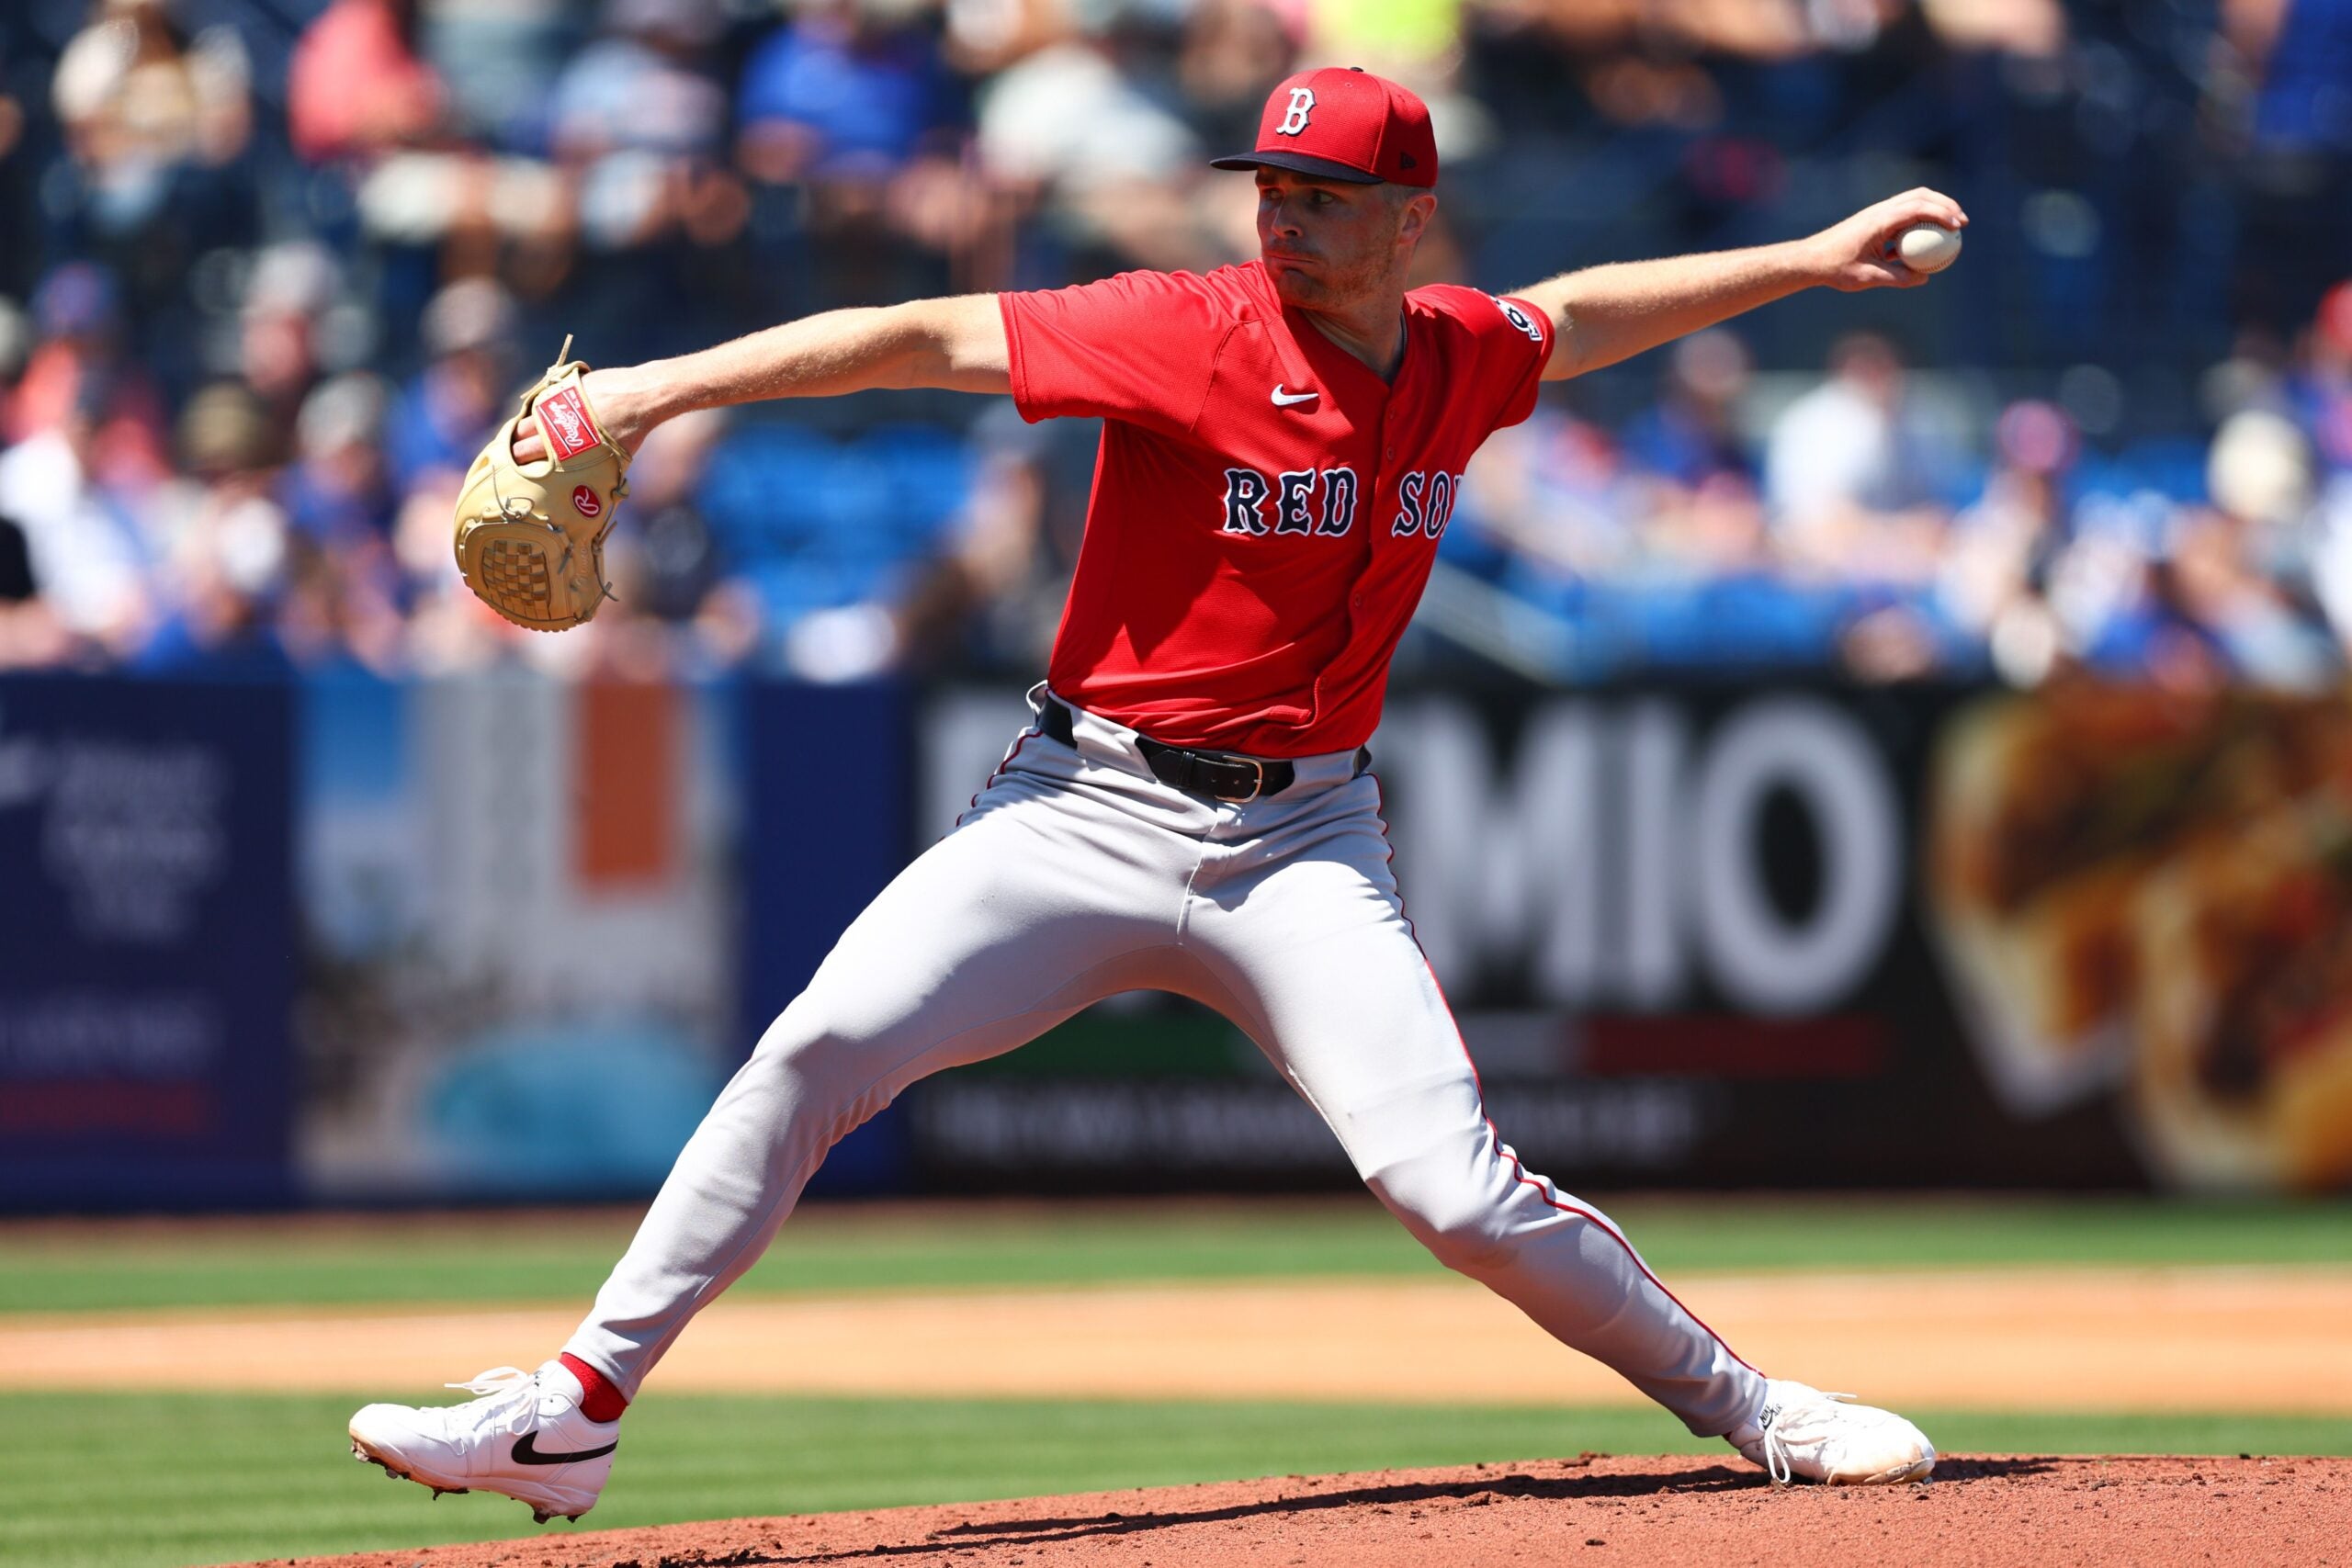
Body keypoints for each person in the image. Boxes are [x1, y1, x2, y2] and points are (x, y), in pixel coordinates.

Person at [348, 67, 1962, 1521]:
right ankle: (572, 1412)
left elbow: (1578, 315)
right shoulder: (1188, 327)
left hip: (1305, 842)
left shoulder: (1457, 355)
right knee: (816, 1049)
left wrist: (1812, 260)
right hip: (1083, 807)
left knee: (1451, 1191)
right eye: (1268, 185)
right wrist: (645, 390)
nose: (1283, 217)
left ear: (1411, 223)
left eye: (1322, 196)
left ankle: (1760, 1412)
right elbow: (925, 338)